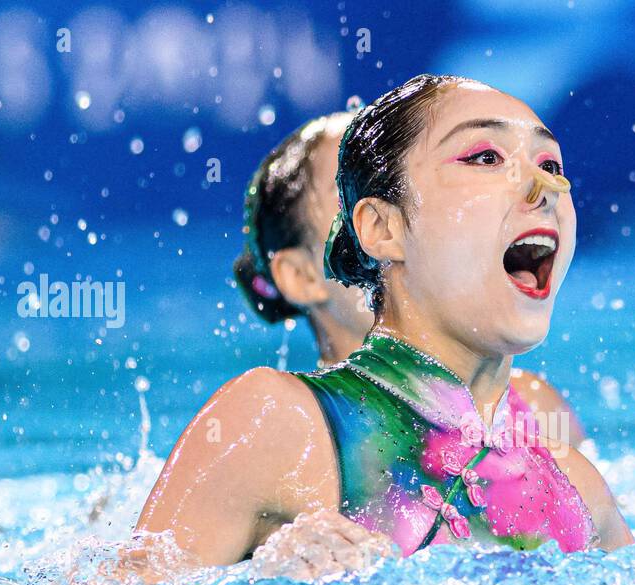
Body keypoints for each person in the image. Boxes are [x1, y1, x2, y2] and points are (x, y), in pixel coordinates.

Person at [133, 74, 631, 579]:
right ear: (380, 227)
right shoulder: (277, 421)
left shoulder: (582, 493)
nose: (542, 186)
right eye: (485, 157)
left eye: (550, 164)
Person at [232, 109, 586, 447]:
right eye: (349, 193)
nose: (400, 209)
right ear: (300, 277)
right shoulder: (287, 432)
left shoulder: (536, 413)